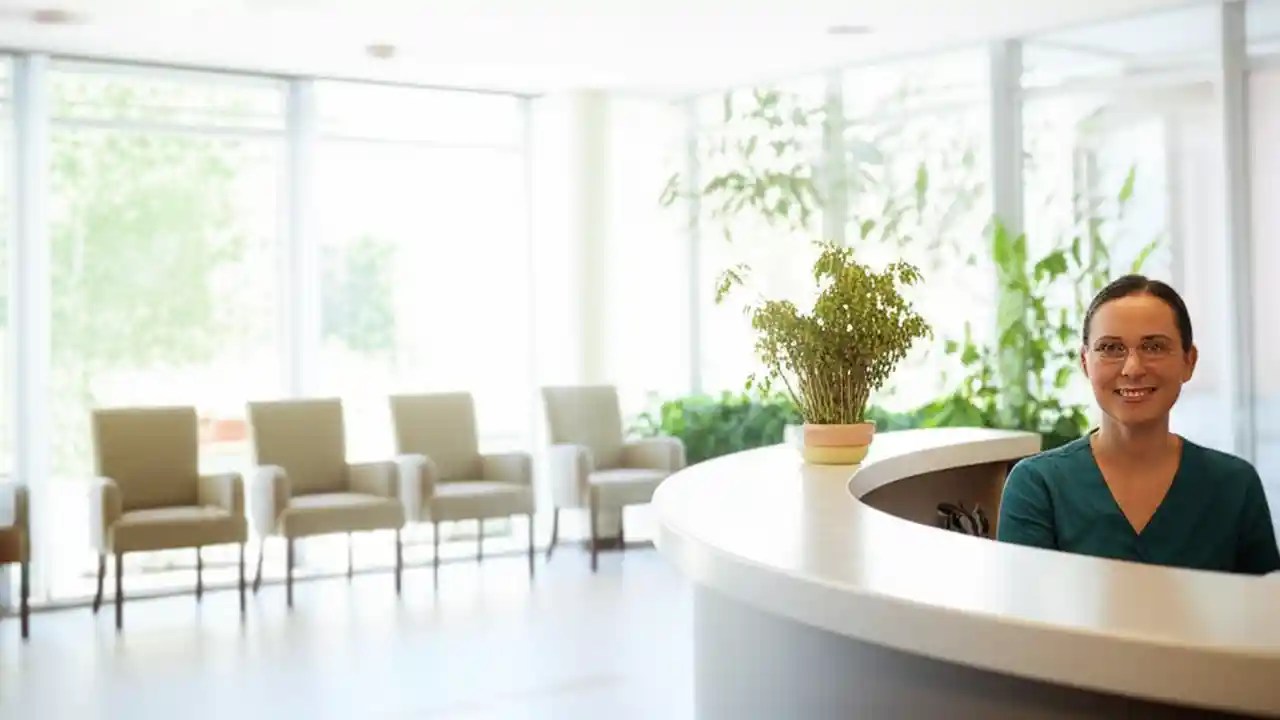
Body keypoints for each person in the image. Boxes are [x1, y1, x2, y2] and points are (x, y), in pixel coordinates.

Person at [997, 274, 1280, 575]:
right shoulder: (1038, 486)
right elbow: (1023, 616)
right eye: (1111, 348)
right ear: (1084, 363)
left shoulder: (1234, 485)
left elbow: (1265, 613)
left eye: (1154, 347)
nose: (1133, 368)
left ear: (1189, 361)